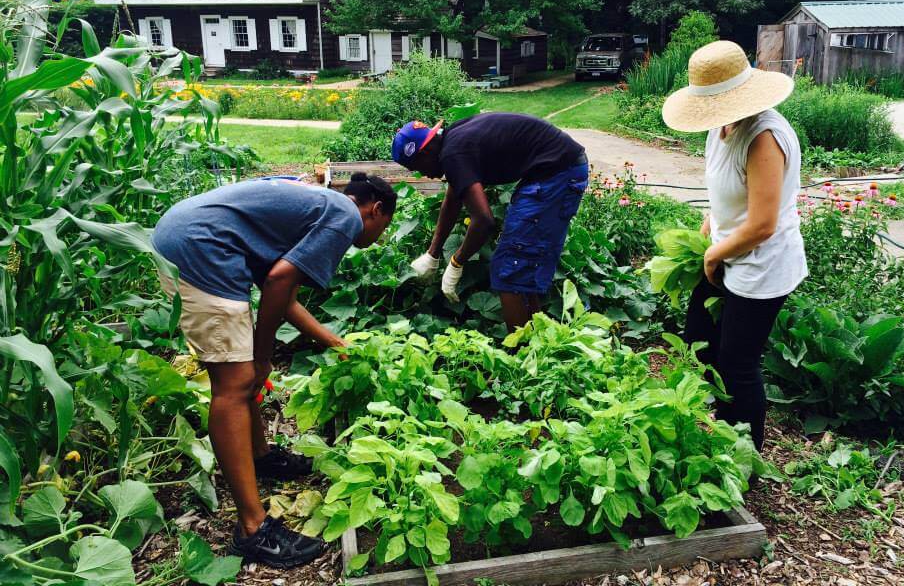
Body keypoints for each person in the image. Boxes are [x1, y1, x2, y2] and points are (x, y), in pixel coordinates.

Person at [151, 173, 395, 567]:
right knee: (234, 384)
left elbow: (281, 289)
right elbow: (280, 281)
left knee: (243, 372)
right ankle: (252, 529)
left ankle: (261, 456)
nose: (379, 237)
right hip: (200, 249)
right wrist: (263, 354)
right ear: (376, 210)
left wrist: (334, 342)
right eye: (383, 228)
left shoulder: (319, 202)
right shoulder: (347, 217)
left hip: (187, 235)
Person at [661, 40, 807, 451]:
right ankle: (719, 427)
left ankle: (744, 457)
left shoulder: (764, 137)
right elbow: (729, 190)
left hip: (762, 265)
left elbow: (762, 224)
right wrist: (711, 223)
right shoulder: (720, 126)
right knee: (698, 341)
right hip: (727, 252)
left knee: (738, 366)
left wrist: (713, 254)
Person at [391, 112, 589, 330]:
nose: (424, 175)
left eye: (418, 167)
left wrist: (456, 263)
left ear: (425, 152)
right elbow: (454, 197)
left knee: (508, 268)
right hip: (555, 170)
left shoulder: (452, 153)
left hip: (557, 174)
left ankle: (521, 353)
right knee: (519, 267)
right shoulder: (453, 139)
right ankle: (537, 341)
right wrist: (433, 254)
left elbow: (484, 220)